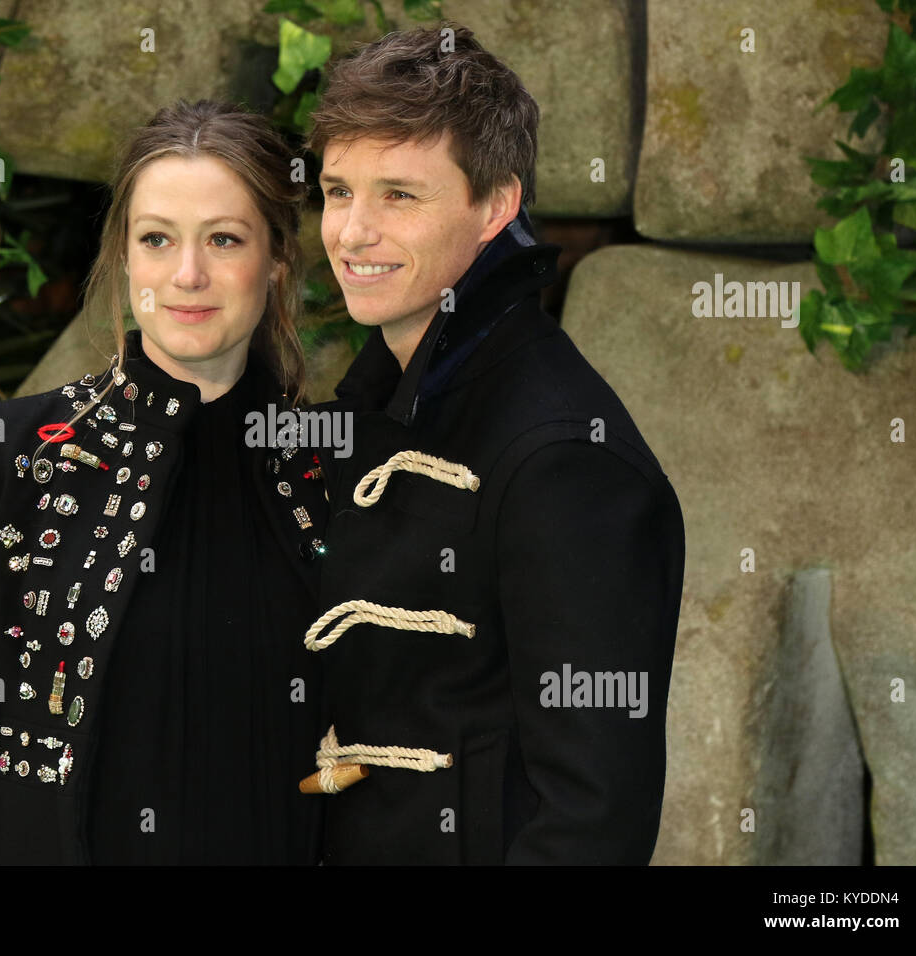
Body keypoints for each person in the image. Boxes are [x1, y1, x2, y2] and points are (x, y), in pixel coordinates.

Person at [0, 99, 329, 865]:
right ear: (124, 256)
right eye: (157, 239)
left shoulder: (335, 470)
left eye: (225, 240)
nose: (188, 274)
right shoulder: (10, 456)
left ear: (276, 260)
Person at [294, 23, 686, 864]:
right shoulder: (381, 402)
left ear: (496, 205)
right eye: (337, 191)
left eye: (399, 194)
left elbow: (593, 821)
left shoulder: (565, 462)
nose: (352, 233)